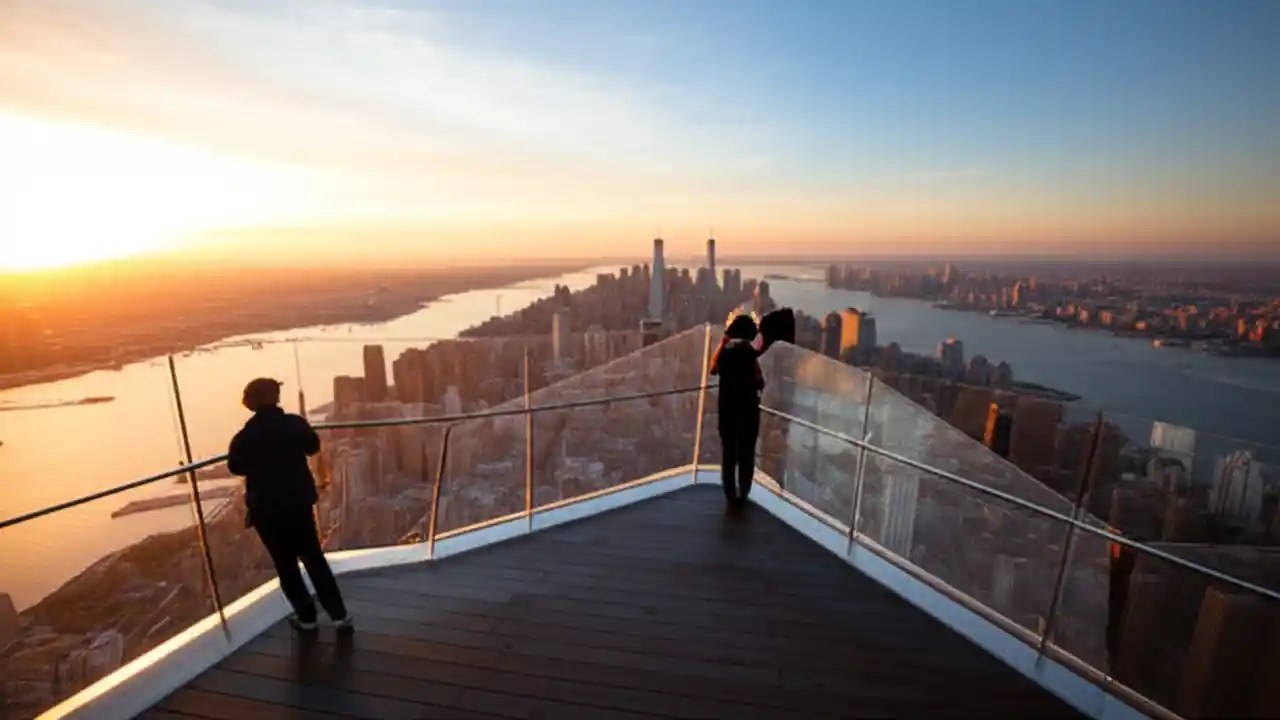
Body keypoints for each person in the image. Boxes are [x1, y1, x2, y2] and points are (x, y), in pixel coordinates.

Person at [228, 377, 353, 633]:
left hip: (267, 509)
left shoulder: (245, 437)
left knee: (285, 565)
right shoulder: (294, 425)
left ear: (251, 402)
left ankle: (307, 618)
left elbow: (235, 466)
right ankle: (340, 616)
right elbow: (312, 446)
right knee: (314, 558)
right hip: (298, 503)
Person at [710, 313, 764, 506]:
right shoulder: (750, 355)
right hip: (748, 410)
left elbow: (713, 369)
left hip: (727, 409)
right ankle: (744, 493)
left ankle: (730, 494)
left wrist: (723, 342)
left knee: (729, 452)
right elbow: (759, 382)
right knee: (746, 452)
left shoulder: (725, 354)